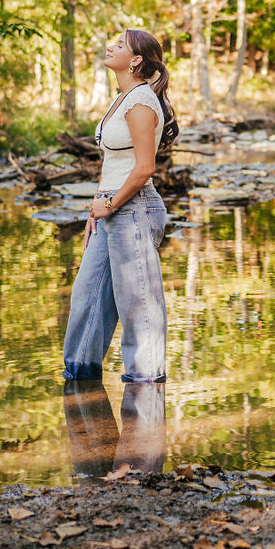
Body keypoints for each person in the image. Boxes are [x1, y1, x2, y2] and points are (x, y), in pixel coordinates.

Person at [62, 29, 180, 383]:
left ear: (136, 60)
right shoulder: (122, 97)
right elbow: (113, 162)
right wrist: (95, 207)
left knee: (137, 304)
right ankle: (80, 378)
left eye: (119, 45)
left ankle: (146, 384)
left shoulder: (141, 101)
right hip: (110, 206)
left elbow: (144, 168)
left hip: (134, 207)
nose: (109, 47)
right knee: (87, 295)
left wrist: (111, 203)